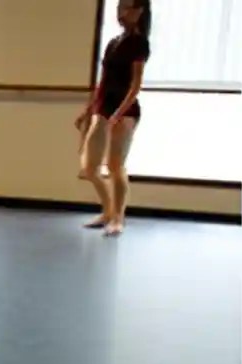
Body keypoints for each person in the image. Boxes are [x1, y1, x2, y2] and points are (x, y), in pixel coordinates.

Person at [77, 0, 151, 236]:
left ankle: (118, 218)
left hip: (125, 110)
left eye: (127, 8)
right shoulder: (112, 43)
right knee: (89, 167)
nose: (121, 13)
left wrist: (119, 113)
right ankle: (108, 211)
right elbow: (103, 82)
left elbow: (135, 84)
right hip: (103, 107)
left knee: (115, 165)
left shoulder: (139, 43)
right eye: (119, 8)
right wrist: (88, 110)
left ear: (139, 11)